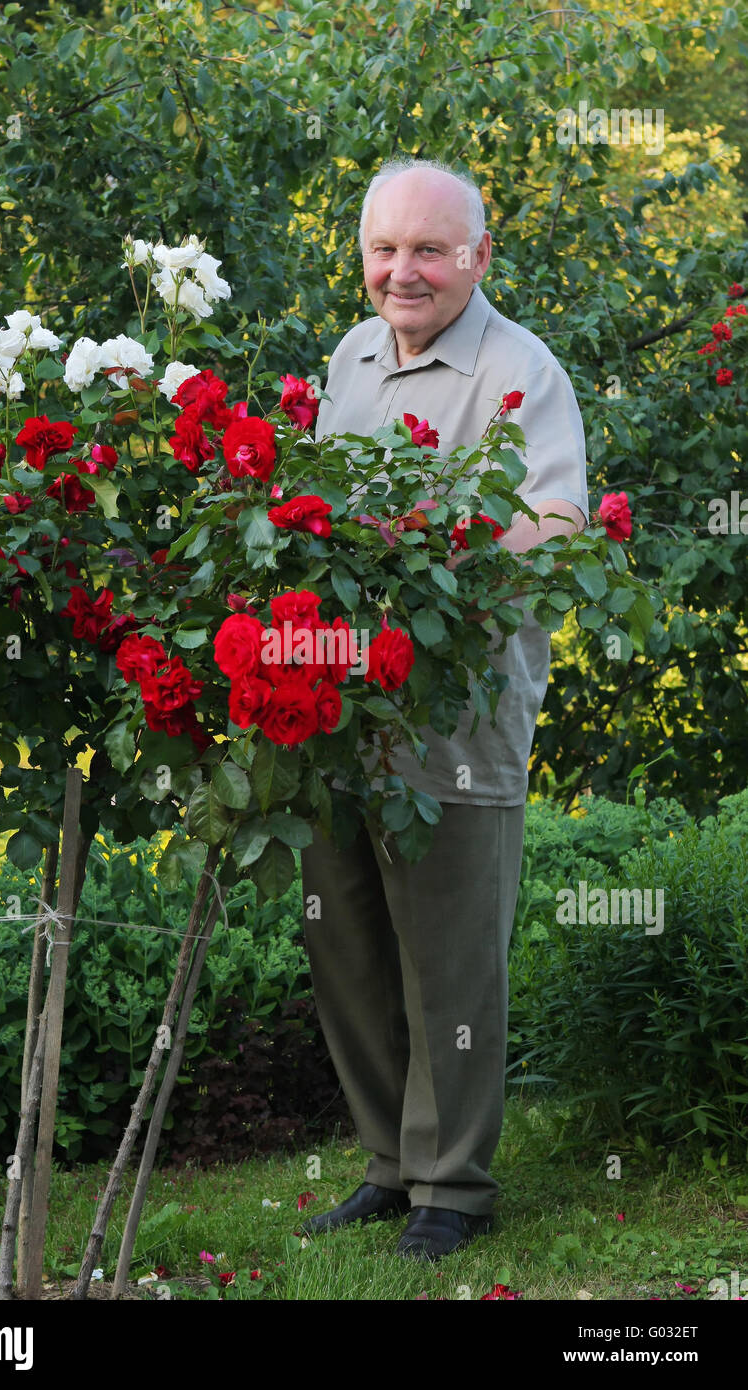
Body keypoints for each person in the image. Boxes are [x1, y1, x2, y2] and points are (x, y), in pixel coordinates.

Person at [298, 158, 589, 1262]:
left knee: (450, 956)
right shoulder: (351, 358)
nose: (401, 270)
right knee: (351, 942)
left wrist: (437, 557)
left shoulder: (521, 370)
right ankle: (387, 1161)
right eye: (383, 248)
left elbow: (558, 522)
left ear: (476, 254)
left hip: (456, 714)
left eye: (427, 248)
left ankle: (453, 1185)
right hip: (336, 701)